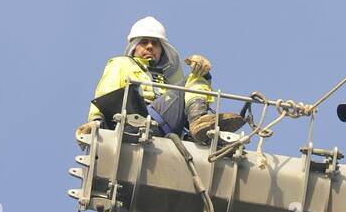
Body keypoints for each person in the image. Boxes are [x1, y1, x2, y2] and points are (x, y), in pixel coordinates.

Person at [75, 16, 243, 145]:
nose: (150, 46)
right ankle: (199, 123)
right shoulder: (121, 63)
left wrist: (204, 75)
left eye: (155, 43)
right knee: (189, 83)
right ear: (134, 47)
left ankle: (201, 124)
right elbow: (107, 93)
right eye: (144, 42)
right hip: (138, 118)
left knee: (195, 79)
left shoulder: (164, 79)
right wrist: (96, 122)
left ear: (161, 51)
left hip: (168, 125)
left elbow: (183, 93)